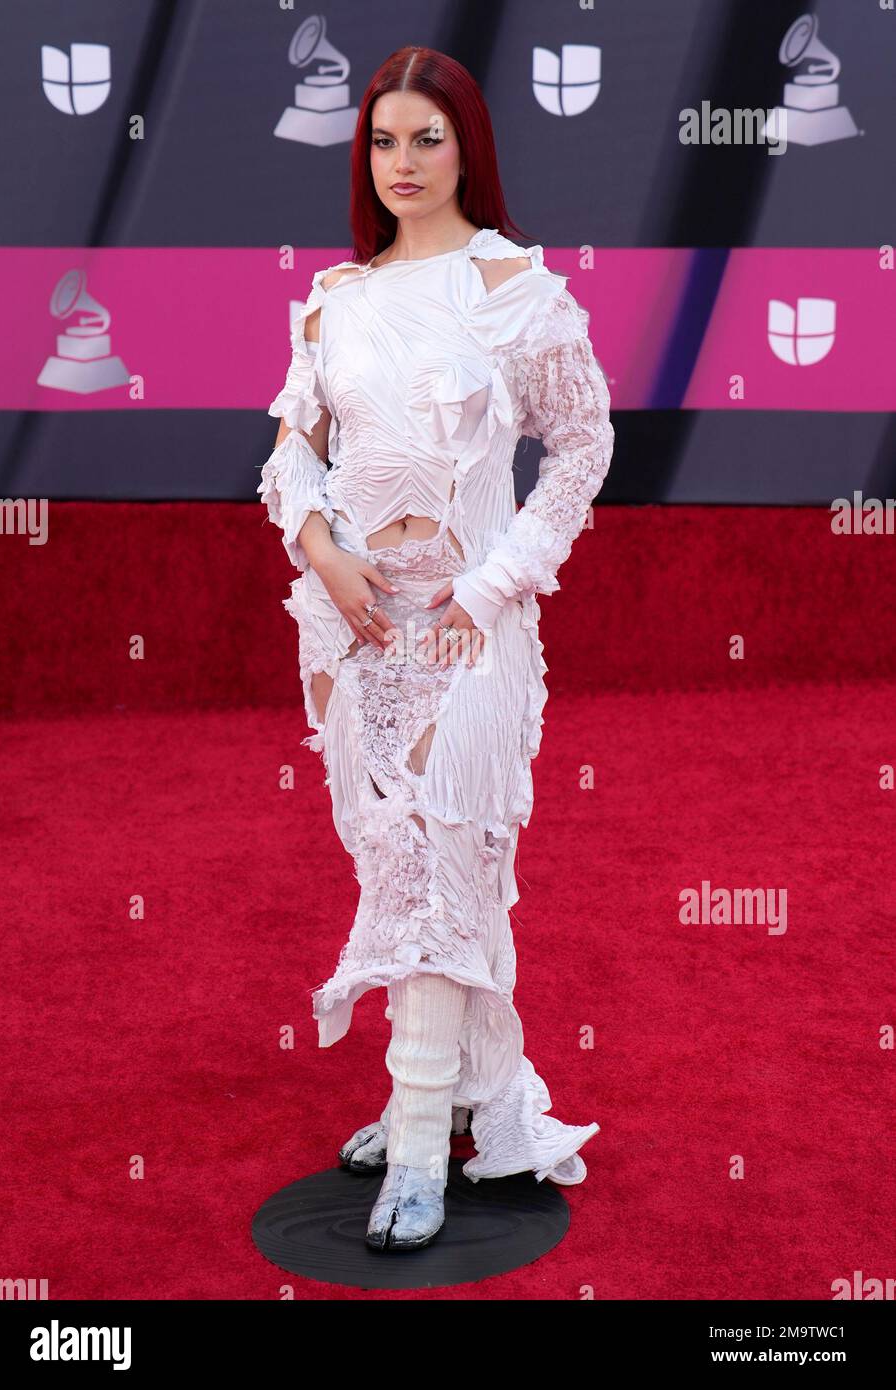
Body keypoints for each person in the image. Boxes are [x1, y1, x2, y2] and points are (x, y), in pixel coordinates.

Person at [258, 46, 615, 1253]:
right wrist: (317, 544)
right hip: (354, 628)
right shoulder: (336, 298)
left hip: (473, 626)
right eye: (381, 141)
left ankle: (418, 1148)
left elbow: (580, 448)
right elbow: (289, 449)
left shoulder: (515, 286)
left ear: (467, 145)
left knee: (440, 852)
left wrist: (500, 577)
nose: (401, 163)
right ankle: (458, 1094)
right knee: (400, 865)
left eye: (425, 138)